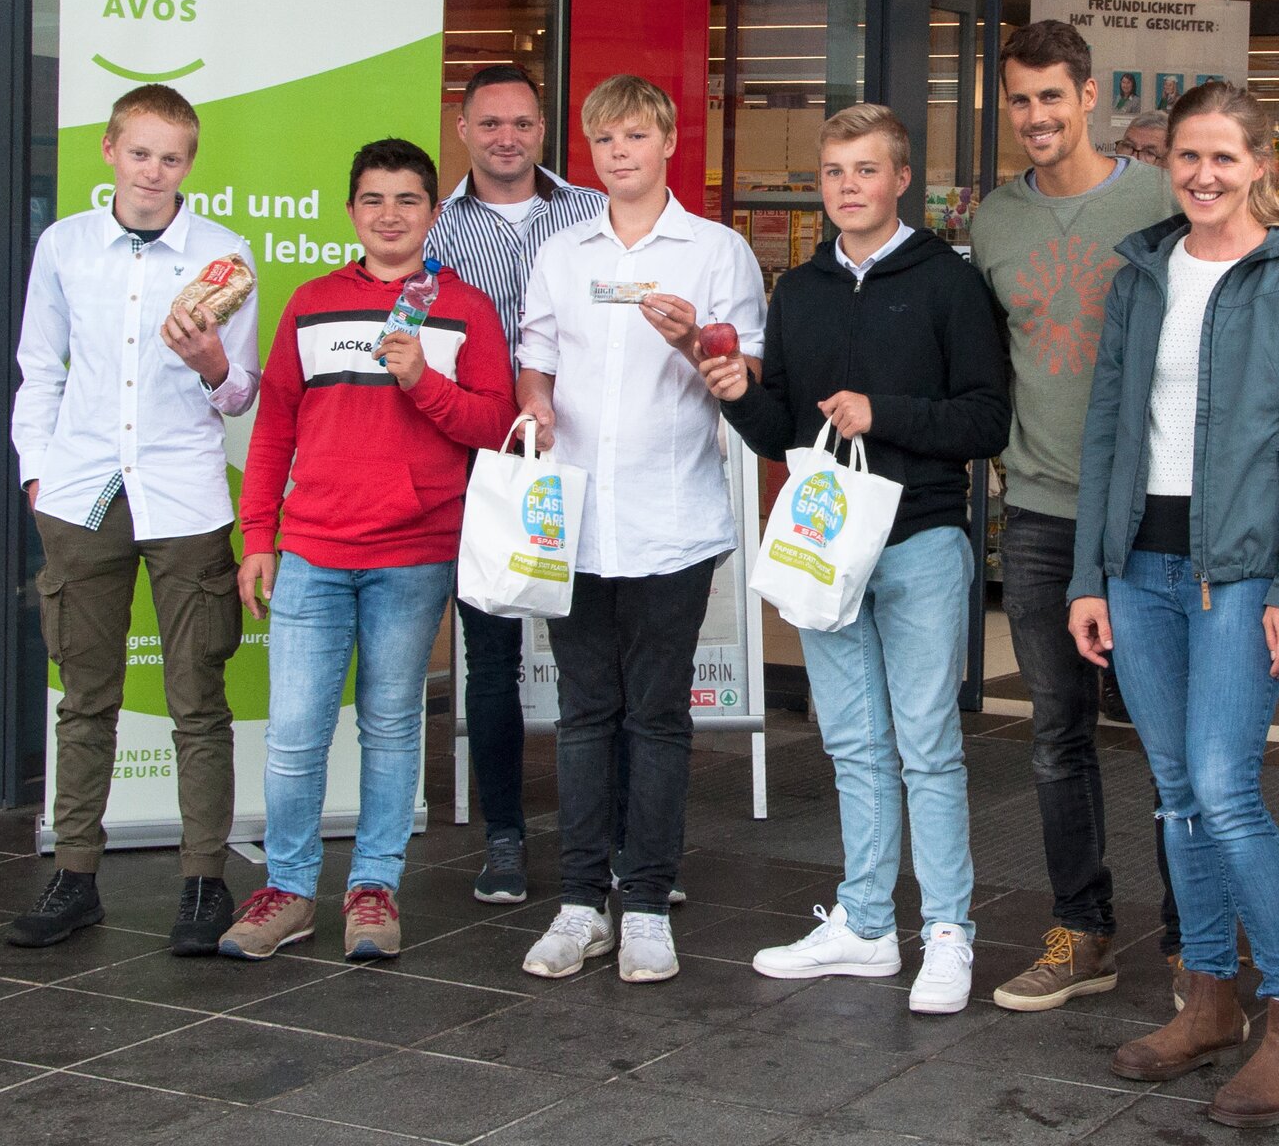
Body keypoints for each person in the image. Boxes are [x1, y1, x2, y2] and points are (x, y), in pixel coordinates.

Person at [1067, 80, 1279, 1128]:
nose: (1200, 175)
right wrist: (1088, 574)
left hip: (1235, 574)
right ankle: (1208, 997)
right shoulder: (1142, 272)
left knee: (1227, 792)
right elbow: (1108, 428)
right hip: (1138, 568)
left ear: (1259, 163)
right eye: (1184, 157)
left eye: (1221, 158)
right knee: (1178, 793)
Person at [711, 105, 1009, 1014]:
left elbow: (988, 418)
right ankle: (867, 925)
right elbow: (786, 429)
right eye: (833, 171)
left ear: (900, 180)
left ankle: (948, 931)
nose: (847, 186)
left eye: (864, 170)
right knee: (853, 746)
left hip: (918, 541)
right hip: (823, 549)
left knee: (927, 745)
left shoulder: (949, 285)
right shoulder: (797, 291)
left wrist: (889, 414)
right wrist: (735, 396)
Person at [219, 139, 516, 962]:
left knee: (390, 727)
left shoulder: (467, 308)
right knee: (294, 733)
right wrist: (257, 537)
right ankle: (288, 889)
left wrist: (422, 378)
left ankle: (374, 888)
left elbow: (496, 428)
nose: (390, 215)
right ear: (352, 211)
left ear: (433, 212)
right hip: (312, 549)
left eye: (408, 200)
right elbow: (274, 424)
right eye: (374, 200)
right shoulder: (312, 302)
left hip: (416, 555)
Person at [514, 75, 765, 985]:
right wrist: (536, 409)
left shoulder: (716, 251)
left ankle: (649, 903)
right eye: (603, 141)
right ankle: (582, 902)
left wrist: (695, 342)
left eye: (634, 137)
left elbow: (745, 373)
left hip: (673, 522)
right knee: (583, 716)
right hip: (574, 521)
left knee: (656, 719)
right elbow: (534, 359)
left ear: (667, 142)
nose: (618, 154)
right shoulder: (561, 250)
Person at [9, 85, 261, 954]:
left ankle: (203, 881)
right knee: (86, 698)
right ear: (110, 150)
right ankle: (75, 873)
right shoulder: (66, 246)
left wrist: (212, 360)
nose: (156, 171)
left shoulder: (224, 256)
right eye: (141, 152)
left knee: (199, 698)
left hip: (184, 495)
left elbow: (238, 398)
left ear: (191, 164)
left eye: (174, 157)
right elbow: (38, 367)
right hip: (82, 494)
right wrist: (37, 471)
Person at [967, 19, 1181, 1013]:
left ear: (1088, 96)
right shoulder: (994, 222)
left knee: (1168, 735)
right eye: (1019, 99)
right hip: (1043, 512)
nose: (1036, 116)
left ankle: (1196, 941)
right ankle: (1080, 929)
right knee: (1055, 732)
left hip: (1145, 515)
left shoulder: (1156, 201)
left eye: (1052, 96)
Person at [425, 63, 607, 905]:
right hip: (476, 464)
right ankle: (504, 837)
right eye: (490, 123)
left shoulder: (590, 212)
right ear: (464, 129)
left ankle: (602, 845)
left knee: (591, 667)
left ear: (545, 130)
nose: (507, 138)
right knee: (492, 662)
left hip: (586, 461)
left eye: (523, 124)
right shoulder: (433, 230)